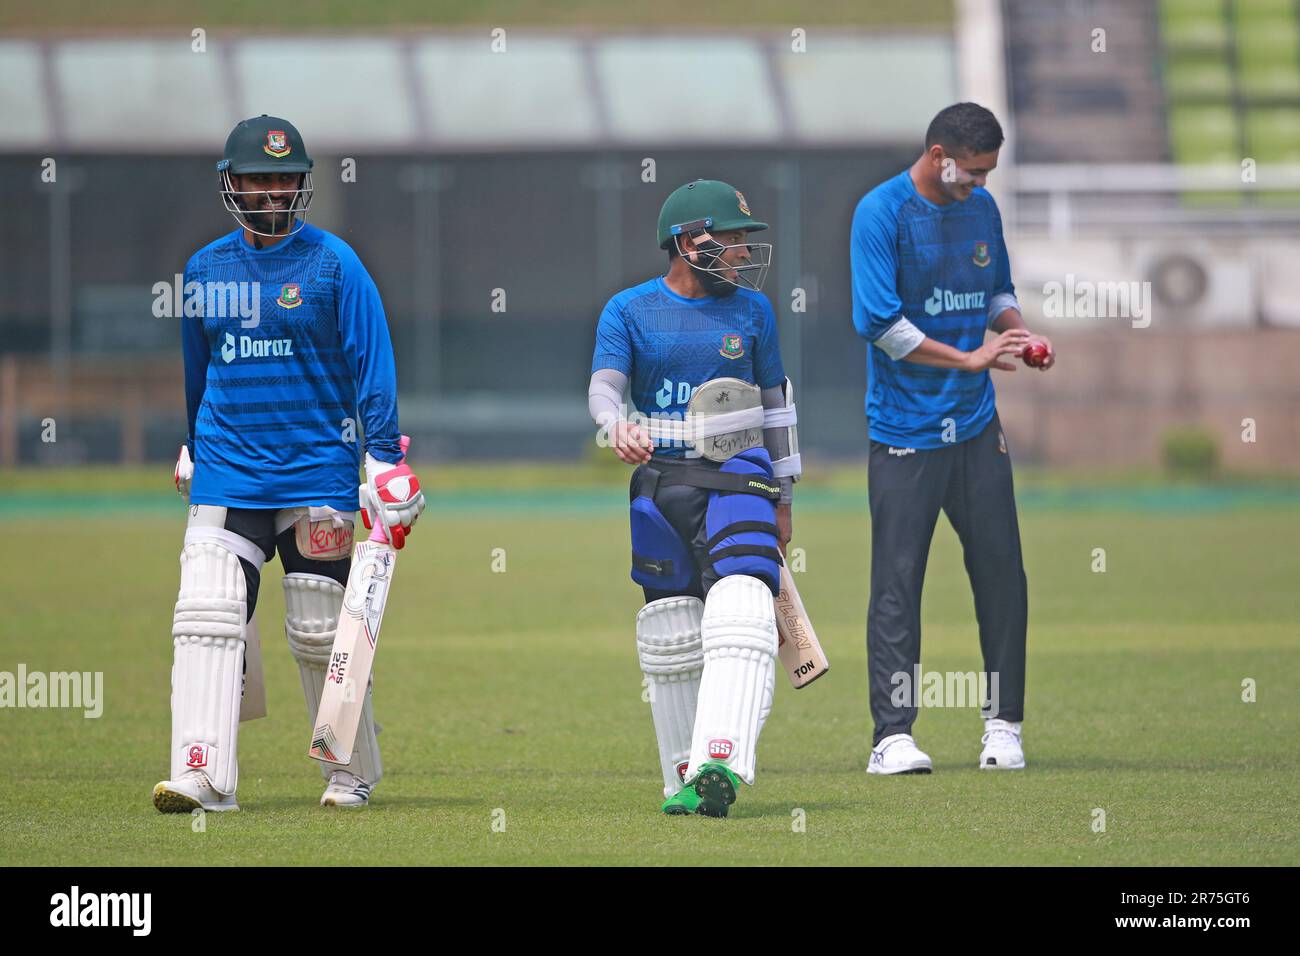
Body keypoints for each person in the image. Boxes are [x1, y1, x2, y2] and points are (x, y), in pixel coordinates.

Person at [156, 115, 425, 812]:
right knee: (207, 615)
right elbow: (198, 368)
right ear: (232, 184)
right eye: (259, 178)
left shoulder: (336, 264)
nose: (274, 190)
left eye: (286, 177)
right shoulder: (207, 271)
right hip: (229, 468)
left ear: (302, 183)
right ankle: (202, 773)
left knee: (318, 625)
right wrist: (191, 441)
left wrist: (384, 455)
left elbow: (373, 362)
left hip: (316, 470)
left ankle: (350, 769)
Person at [851, 102, 1056, 776]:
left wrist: (1018, 334)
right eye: (972, 172)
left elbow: (996, 290)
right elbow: (883, 325)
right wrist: (968, 358)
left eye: (988, 173)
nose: (979, 185)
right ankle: (893, 738)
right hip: (904, 431)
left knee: (1003, 574)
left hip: (976, 428)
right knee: (898, 585)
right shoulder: (879, 214)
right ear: (938, 154)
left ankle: (1004, 726)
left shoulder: (982, 210)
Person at [588, 179, 801, 816]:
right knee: (671, 636)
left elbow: (778, 408)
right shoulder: (628, 309)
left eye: (743, 239)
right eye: (730, 237)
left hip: (741, 477)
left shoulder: (754, 311)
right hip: (662, 483)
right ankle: (682, 779)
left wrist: (785, 498)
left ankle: (721, 762)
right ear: (687, 241)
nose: (741, 250)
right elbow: (604, 387)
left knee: (741, 614)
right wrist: (613, 423)